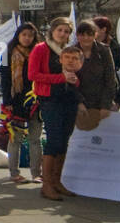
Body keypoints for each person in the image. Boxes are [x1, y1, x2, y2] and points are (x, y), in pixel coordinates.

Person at [28, 18, 81, 200]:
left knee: (64, 140)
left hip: (69, 99)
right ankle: (47, 184)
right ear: (52, 31)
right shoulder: (41, 48)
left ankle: (57, 181)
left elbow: (75, 73)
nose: (63, 34)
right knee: (54, 140)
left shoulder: (70, 51)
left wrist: (74, 79)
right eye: (60, 30)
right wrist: (60, 78)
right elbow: (33, 74)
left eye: (66, 31)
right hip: (50, 99)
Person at [0, 22, 41, 183]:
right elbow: (4, 79)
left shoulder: (39, 51)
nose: (27, 38)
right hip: (15, 99)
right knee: (15, 138)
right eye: (24, 35)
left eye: (30, 35)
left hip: (35, 99)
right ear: (18, 36)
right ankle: (14, 172)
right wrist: (7, 101)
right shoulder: (8, 52)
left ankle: (36, 173)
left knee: (35, 138)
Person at [74, 19, 116, 125]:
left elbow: (110, 80)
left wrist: (105, 106)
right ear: (77, 35)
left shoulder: (104, 51)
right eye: (82, 35)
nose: (86, 38)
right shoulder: (71, 52)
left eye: (89, 34)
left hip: (101, 103)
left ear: (95, 35)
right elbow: (69, 82)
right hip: (78, 105)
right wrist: (79, 103)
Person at [93, 15, 120, 109]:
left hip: (112, 98)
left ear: (103, 29)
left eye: (94, 28)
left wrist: (118, 101)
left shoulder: (117, 49)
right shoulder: (88, 46)